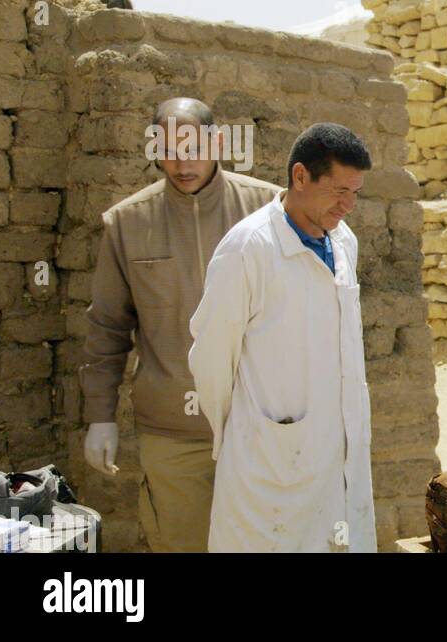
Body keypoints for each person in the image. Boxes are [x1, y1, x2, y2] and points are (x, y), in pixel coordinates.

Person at [79, 97, 280, 552]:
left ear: (219, 142)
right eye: (168, 149)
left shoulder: (269, 210)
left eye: (192, 147)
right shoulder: (127, 223)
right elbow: (107, 328)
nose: (181, 162)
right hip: (173, 435)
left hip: (260, 428)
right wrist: (100, 418)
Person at [188, 123, 376, 552]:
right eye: (337, 191)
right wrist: (245, 432)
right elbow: (212, 359)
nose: (347, 205)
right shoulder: (248, 248)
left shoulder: (344, 242)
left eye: (355, 193)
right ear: (300, 177)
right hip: (269, 464)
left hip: (337, 457)